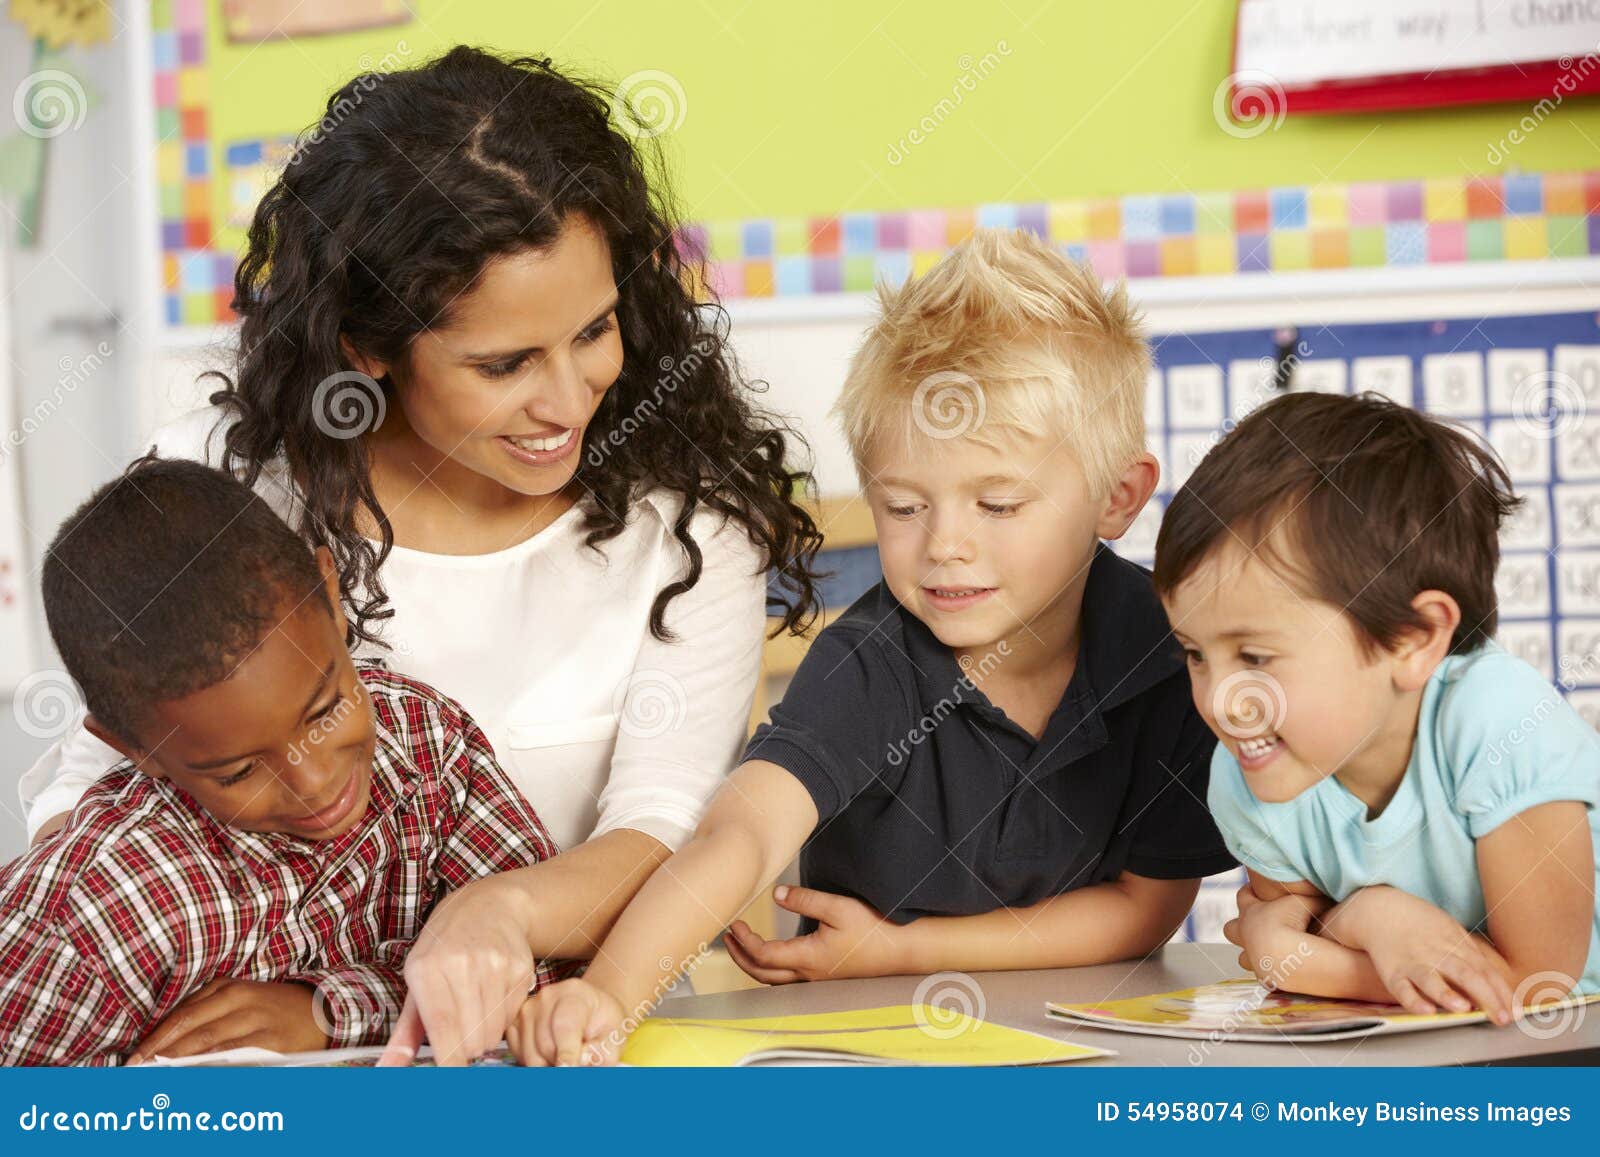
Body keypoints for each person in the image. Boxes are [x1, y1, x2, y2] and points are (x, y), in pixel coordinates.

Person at [20, 47, 822, 1063]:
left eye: (596, 329)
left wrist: (494, 912)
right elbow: (95, 798)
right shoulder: (241, 492)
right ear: (367, 347)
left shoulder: (689, 530)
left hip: (554, 1044)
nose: (571, 400)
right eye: (505, 363)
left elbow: (667, 835)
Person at [482, 229, 1234, 1066]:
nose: (944, 545)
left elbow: (1144, 909)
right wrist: (608, 995)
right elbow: (741, 836)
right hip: (871, 1053)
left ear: (1117, 497)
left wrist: (904, 948)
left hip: (1092, 1050)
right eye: (905, 507)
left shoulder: (1170, 657)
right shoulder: (873, 661)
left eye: (998, 504)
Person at [0, 460, 569, 1066]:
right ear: (137, 751)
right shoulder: (95, 917)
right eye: (239, 772)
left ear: (331, 593)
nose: (314, 783)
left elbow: (549, 976)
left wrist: (329, 1011)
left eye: (325, 711)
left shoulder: (431, 747)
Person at [1154, 391, 1600, 1021]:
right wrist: (1323, 943)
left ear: (1412, 639)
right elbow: (1285, 962)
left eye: (1254, 658)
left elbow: (1531, 989)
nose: (1221, 704)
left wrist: (1364, 915)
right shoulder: (1249, 772)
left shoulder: (1498, 723)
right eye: (1195, 654)